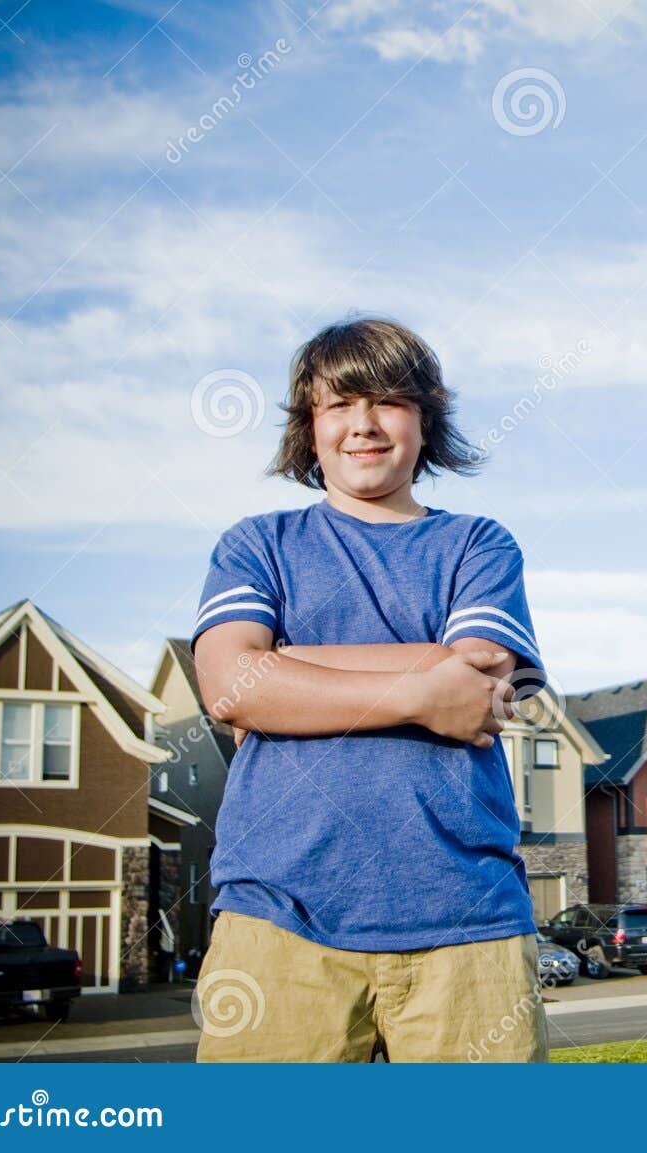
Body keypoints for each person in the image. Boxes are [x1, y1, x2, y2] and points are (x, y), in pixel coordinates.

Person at [191, 318, 548, 1062]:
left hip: (468, 919)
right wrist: (423, 688)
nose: (364, 424)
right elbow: (230, 682)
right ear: (309, 428)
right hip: (275, 922)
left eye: (389, 401)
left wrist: (290, 667)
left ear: (426, 422)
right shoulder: (256, 544)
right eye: (338, 404)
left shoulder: (478, 545)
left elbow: (479, 680)